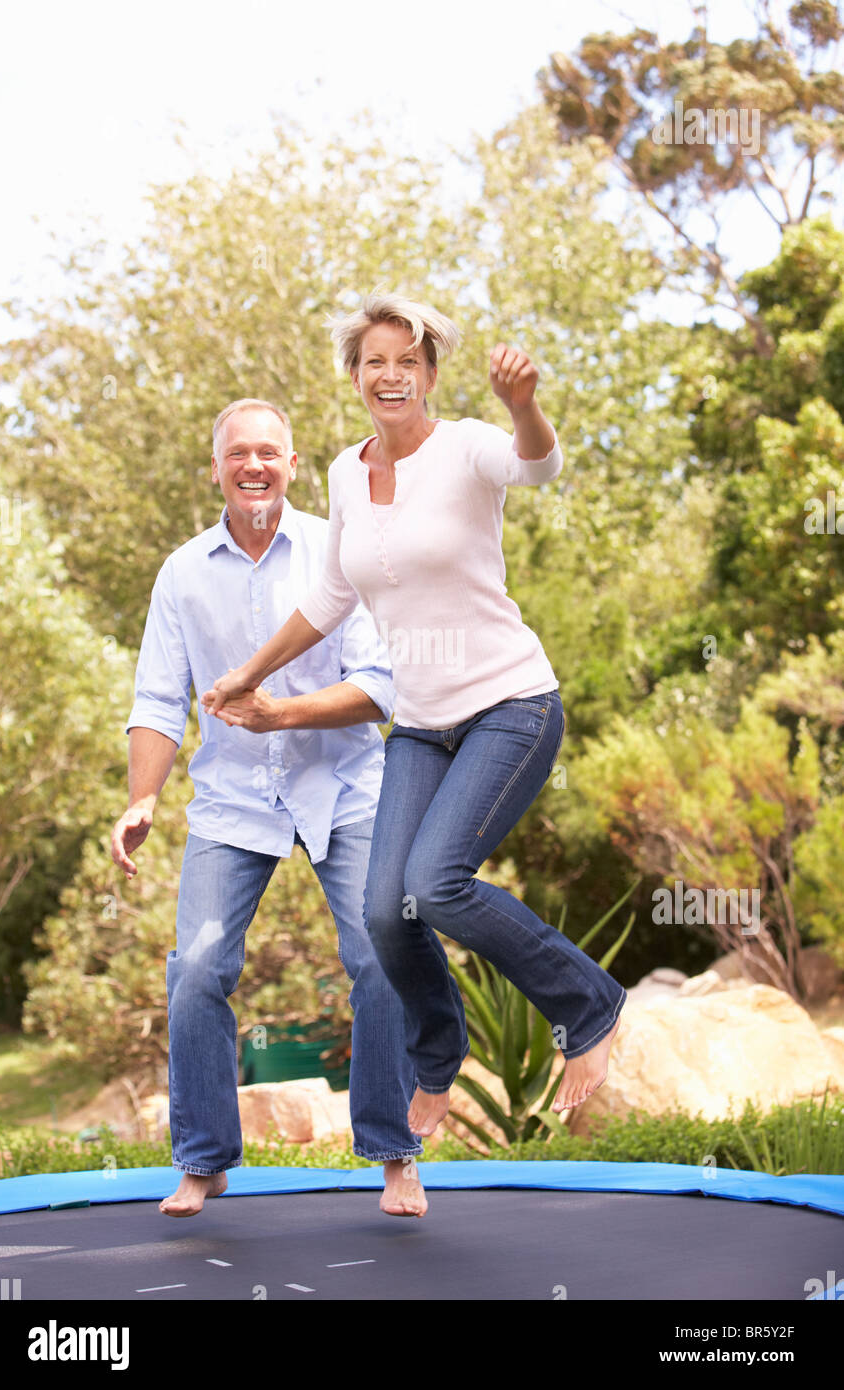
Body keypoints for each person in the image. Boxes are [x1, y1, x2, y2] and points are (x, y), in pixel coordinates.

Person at [202, 293, 626, 1138]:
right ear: (355, 376)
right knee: (383, 910)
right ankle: (440, 1055)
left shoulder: (470, 446)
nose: (389, 375)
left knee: (437, 884)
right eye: (374, 362)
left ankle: (590, 1005)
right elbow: (328, 596)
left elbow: (538, 467)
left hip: (511, 705)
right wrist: (245, 675)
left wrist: (523, 405)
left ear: (430, 375)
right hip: (424, 727)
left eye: (407, 361)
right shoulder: (345, 472)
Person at [111, 397, 429, 1217]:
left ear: (291, 464)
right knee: (195, 974)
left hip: (347, 787)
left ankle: (395, 1154)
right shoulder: (182, 573)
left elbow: (379, 689)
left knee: (380, 955)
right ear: (215, 469)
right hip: (233, 800)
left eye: (268, 453)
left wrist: (276, 711)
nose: (253, 465)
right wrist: (142, 798)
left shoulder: (337, 549)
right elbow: (156, 699)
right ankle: (206, 1159)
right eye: (237, 454)